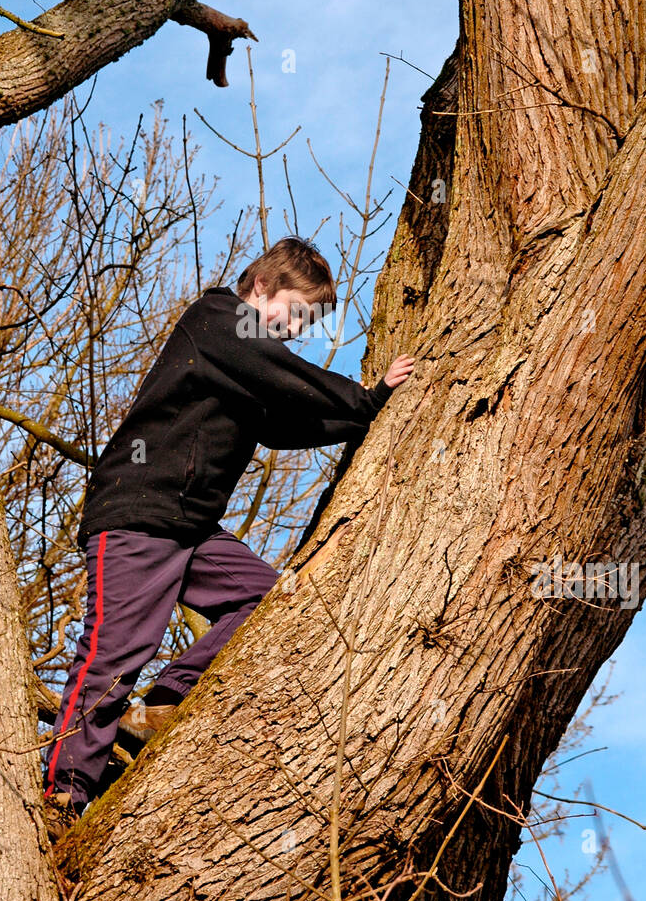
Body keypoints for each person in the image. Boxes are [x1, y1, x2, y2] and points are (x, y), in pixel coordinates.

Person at [42, 236, 415, 837]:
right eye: (294, 314)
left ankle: (168, 699)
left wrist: (365, 412)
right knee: (113, 654)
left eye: (307, 325)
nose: (296, 331)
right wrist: (365, 398)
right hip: (139, 514)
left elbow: (284, 423)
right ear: (261, 289)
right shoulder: (216, 319)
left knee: (272, 604)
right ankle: (63, 793)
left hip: (192, 526)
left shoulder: (246, 360)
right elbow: (285, 376)